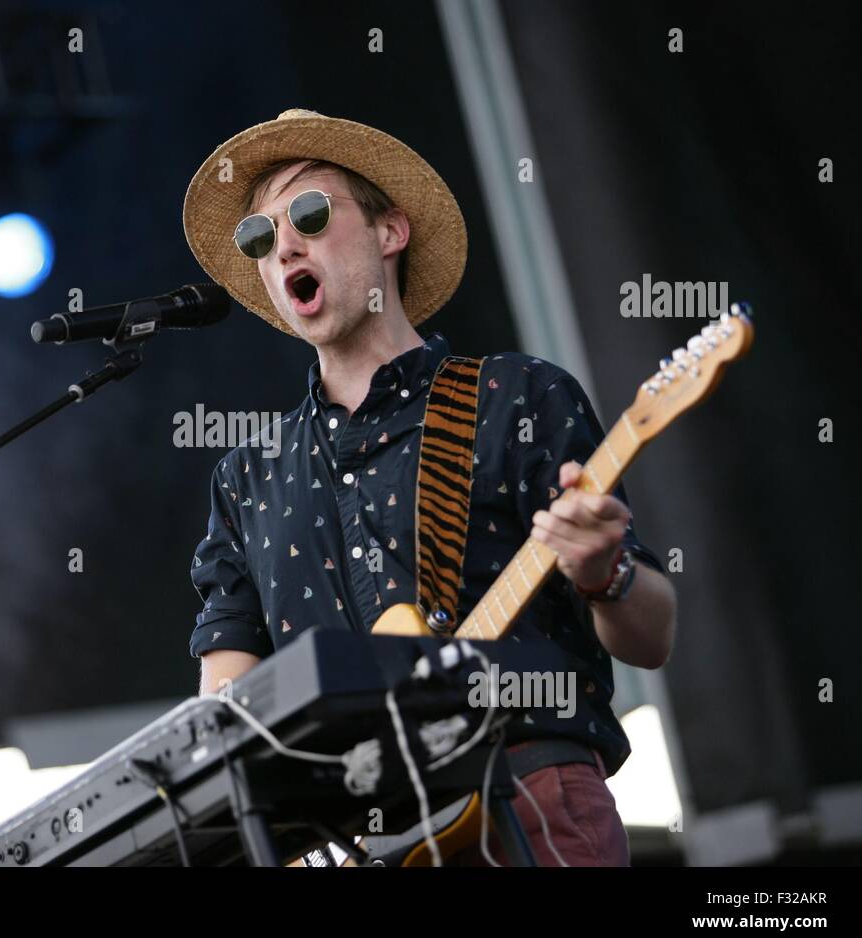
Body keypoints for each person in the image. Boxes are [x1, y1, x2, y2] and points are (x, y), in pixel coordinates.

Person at [180, 110, 677, 865]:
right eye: (260, 236)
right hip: (356, 842)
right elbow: (227, 706)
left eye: (309, 214)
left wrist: (603, 570)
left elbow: (653, 636)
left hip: (525, 792)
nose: (283, 246)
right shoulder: (246, 478)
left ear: (391, 232)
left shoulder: (515, 397)